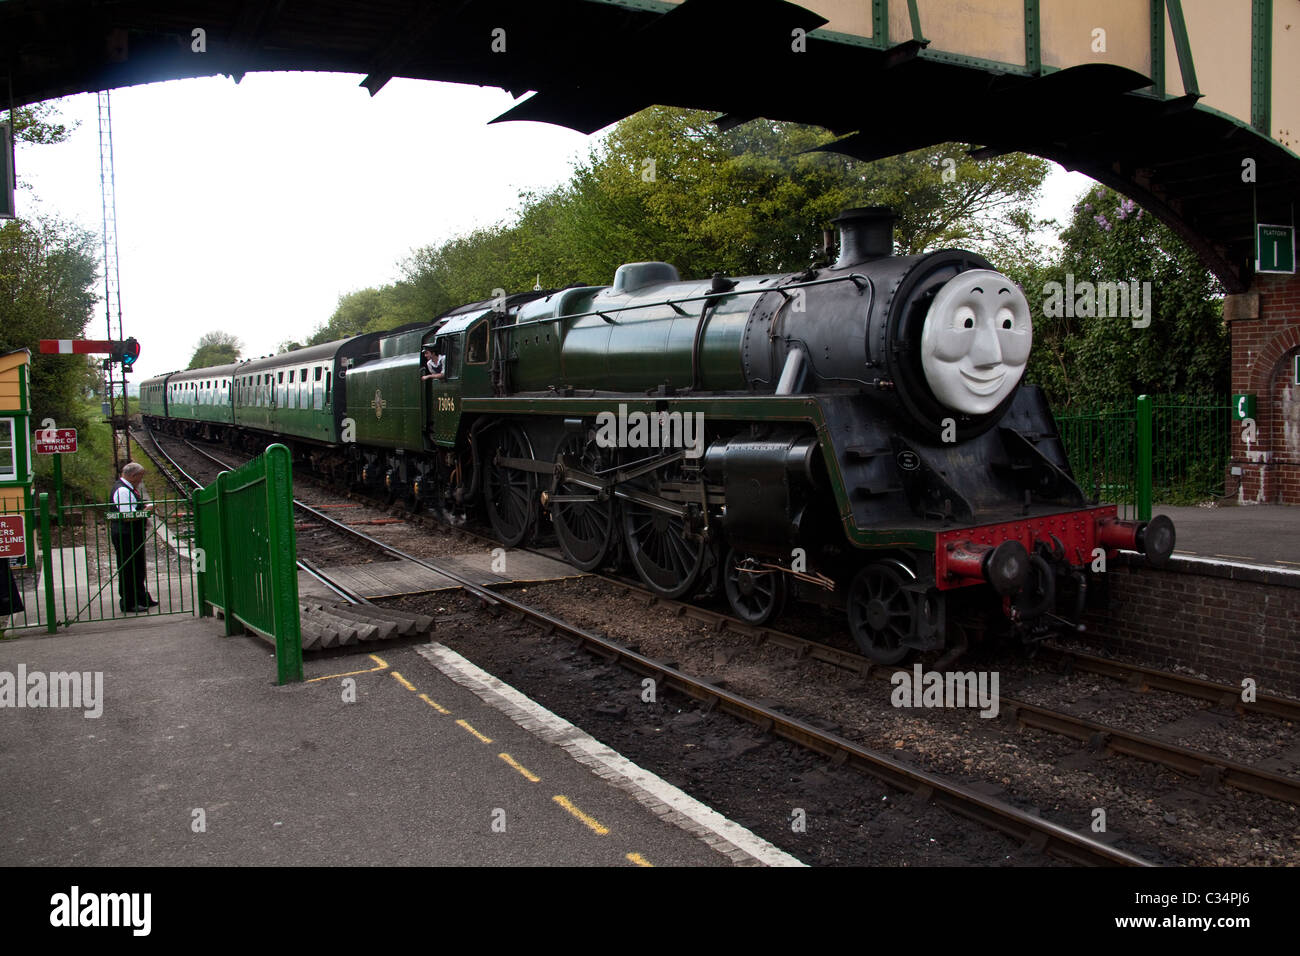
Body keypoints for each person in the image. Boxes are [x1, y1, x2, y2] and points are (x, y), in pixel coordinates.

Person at [109, 462, 157, 613]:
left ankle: (141, 597)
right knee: (128, 567)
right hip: (125, 534)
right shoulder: (122, 491)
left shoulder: (128, 488)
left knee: (137, 566)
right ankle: (129, 602)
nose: (140, 481)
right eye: (140, 477)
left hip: (131, 533)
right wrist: (146, 510)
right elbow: (127, 516)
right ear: (133, 475)